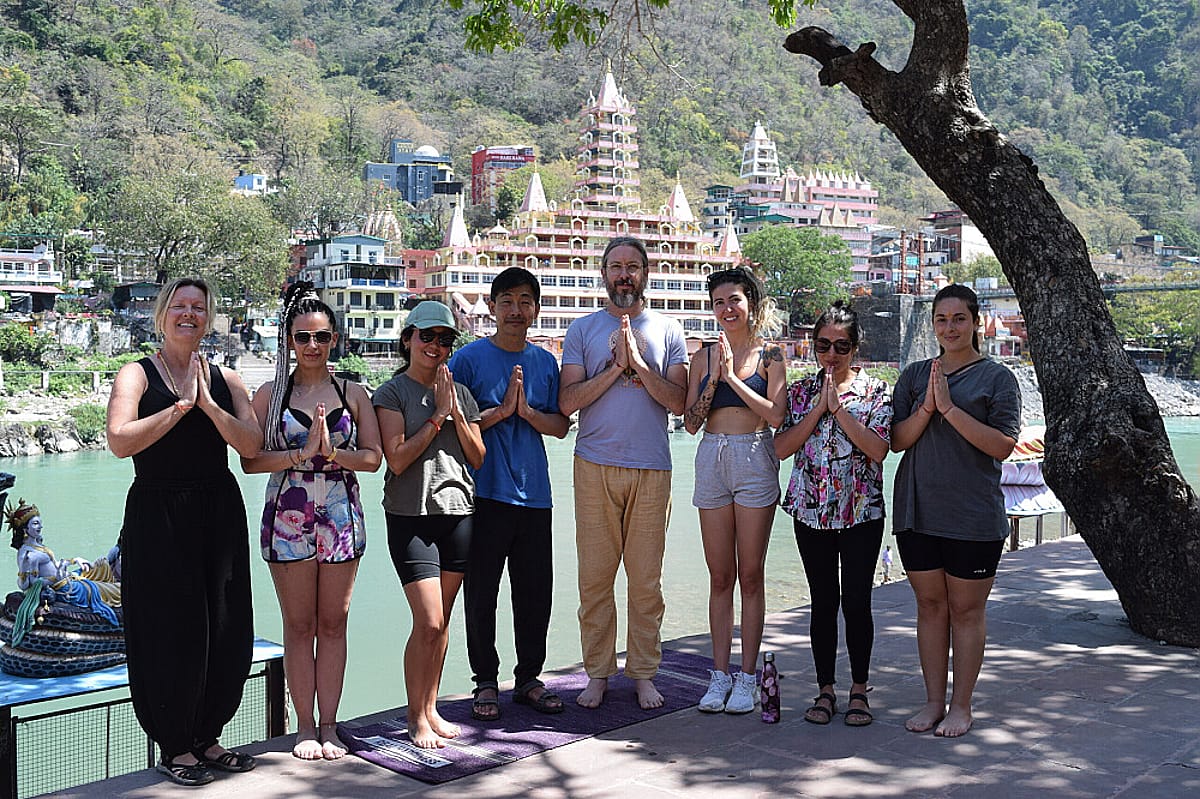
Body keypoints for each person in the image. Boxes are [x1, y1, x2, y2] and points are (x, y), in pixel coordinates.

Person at [106, 277, 262, 786]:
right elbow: (119, 440)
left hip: (217, 508)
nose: (189, 314)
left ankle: (207, 737)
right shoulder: (136, 374)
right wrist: (177, 409)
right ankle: (174, 744)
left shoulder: (228, 379)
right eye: (180, 306)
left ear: (209, 316)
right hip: (158, 510)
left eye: (198, 307)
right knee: (167, 629)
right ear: (162, 314)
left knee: (226, 624)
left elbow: (251, 447)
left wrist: (209, 406)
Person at [241, 282, 383, 761]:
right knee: (299, 625)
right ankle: (303, 726)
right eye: (303, 337)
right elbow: (250, 460)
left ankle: (329, 725)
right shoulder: (270, 394)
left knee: (335, 622)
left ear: (335, 339)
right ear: (289, 341)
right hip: (289, 515)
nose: (312, 346)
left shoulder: (353, 391)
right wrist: (301, 453)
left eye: (321, 337)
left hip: (341, 513)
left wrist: (333, 451)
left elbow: (373, 458)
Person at [559, 236, 688, 711]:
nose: (624, 275)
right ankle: (597, 672)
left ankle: (643, 672)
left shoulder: (669, 330)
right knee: (594, 579)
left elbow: (678, 402)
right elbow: (567, 402)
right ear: (603, 274)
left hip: (652, 467)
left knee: (645, 581)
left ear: (646, 273)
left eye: (633, 266)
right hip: (593, 464)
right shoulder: (583, 330)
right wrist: (616, 369)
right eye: (616, 266)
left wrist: (638, 363)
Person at [891, 284, 1021, 738]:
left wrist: (949, 407)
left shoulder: (997, 378)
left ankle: (961, 705)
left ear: (974, 321)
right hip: (918, 509)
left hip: (972, 516)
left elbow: (1003, 446)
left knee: (966, 612)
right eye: (941, 320)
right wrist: (928, 406)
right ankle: (932, 701)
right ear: (933, 325)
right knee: (929, 606)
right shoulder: (913, 376)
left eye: (959, 319)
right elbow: (898, 440)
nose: (950, 328)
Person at [448, 268, 570, 721]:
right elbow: (454, 427)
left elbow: (560, 426)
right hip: (483, 493)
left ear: (535, 308)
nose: (516, 310)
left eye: (525, 301)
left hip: (535, 494)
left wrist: (529, 414)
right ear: (493, 307)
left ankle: (528, 679)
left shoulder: (544, 363)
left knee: (535, 592)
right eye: (507, 301)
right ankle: (485, 680)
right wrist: (501, 412)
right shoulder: (469, 360)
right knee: (482, 592)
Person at [774, 301, 893, 728]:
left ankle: (858, 690)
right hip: (810, 510)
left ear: (855, 348)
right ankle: (825, 689)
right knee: (823, 603)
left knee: (858, 602)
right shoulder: (802, 391)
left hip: (860, 510)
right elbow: (781, 447)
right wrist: (818, 411)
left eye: (841, 346)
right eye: (823, 345)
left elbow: (879, 450)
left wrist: (839, 410)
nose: (831, 354)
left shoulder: (877, 392)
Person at [373, 301, 485, 749]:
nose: (435, 346)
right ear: (408, 340)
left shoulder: (461, 393)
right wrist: (438, 414)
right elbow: (396, 459)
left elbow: (477, 456)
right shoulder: (392, 393)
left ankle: (432, 707)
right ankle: (414, 716)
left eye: (444, 339)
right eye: (427, 336)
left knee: (442, 624)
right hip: (410, 516)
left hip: (457, 511)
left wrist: (455, 411)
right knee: (428, 620)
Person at [682, 267, 785, 714]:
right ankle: (718, 675)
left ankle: (747, 677)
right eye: (719, 301)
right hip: (712, 456)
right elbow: (690, 421)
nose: (727, 309)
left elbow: (777, 415)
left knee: (751, 574)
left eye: (735, 300)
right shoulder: (702, 357)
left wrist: (733, 378)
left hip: (754, 455)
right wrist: (712, 378)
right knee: (719, 575)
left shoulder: (771, 355)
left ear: (751, 304)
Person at [8, 499, 121, 622]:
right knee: (110, 590)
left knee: (101, 565)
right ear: (25, 529)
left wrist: (74, 560)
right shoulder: (28, 555)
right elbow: (27, 585)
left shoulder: (37, 544)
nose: (40, 527)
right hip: (66, 589)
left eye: (40, 523)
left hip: (67, 578)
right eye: (35, 524)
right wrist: (55, 578)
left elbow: (54, 564)